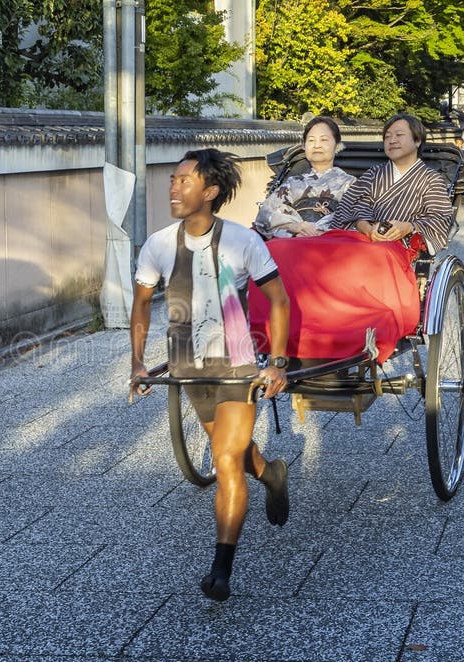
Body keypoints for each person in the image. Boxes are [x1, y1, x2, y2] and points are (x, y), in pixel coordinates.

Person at [130, 148, 291, 602]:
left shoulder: (243, 241)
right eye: (173, 180)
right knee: (234, 453)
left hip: (237, 365)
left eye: (184, 180)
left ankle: (221, 569)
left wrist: (276, 362)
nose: (173, 187)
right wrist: (138, 363)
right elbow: (142, 304)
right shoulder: (158, 244)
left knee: (224, 460)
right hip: (187, 366)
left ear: (211, 191)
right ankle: (272, 474)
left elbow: (279, 301)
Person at [251, 114, 453, 364]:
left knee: (362, 257)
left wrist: (407, 226)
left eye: (399, 135)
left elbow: (441, 217)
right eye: (387, 136)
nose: (391, 140)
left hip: (397, 246)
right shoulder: (373, 175)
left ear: (417, 140)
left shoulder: (431, 179)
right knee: (279, 249)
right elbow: (351, 209)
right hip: (362, 239)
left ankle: (365, 327)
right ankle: (291, 327)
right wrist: (363, 225)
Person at [253, 116, 356, 239]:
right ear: (304, 146)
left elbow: (359, 218)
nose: (317, 145)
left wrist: (320, 230)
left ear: (337, 146)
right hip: (295, 239)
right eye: (311, 140)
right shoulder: (291, 183)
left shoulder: (351, 183)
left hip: (333, 242)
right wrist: (295, 227)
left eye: (324, 140)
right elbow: (266, 214)